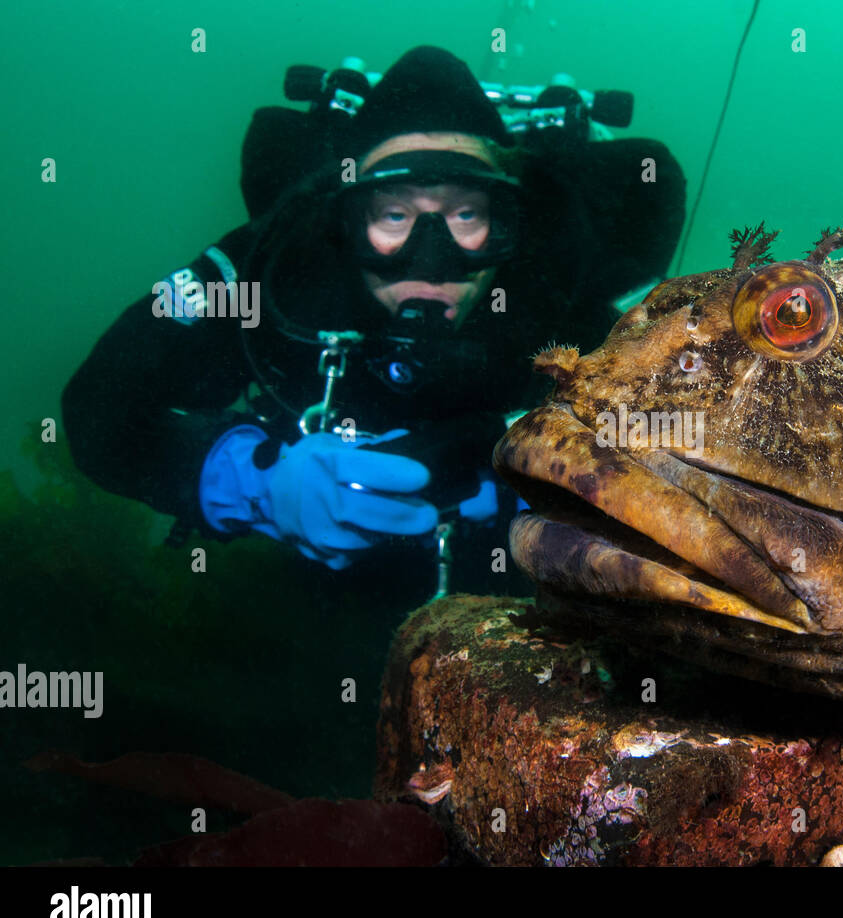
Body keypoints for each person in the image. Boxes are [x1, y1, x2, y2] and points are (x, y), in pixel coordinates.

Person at [63, 47, 684, 596]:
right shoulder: (277, 272)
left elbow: (682, 430)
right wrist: (259, 484)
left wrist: (552, 480)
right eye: (393, 215)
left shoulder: (548, 285)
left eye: (467, 213)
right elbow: (97, 408)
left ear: (507, 225)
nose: (432, 259)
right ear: (345, 222)